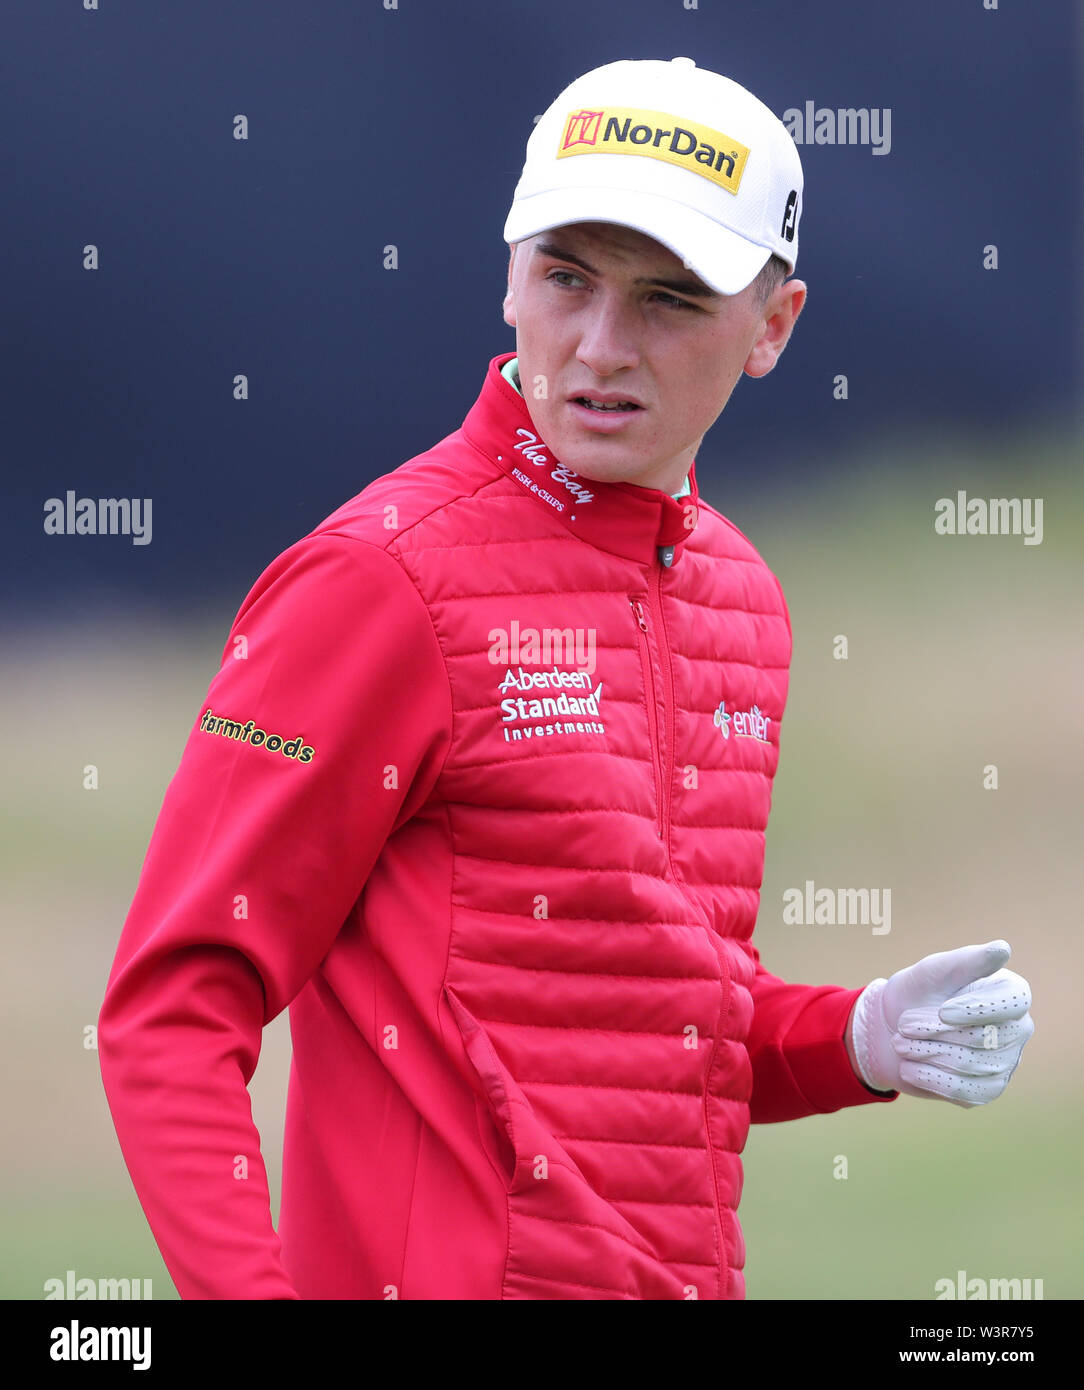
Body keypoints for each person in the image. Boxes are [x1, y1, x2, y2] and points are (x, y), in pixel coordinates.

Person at [97, 56, 1034, 1301]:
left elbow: (641, 1018)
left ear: (773, 326)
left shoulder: (741, 601)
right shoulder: (379, 580)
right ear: (507, 276)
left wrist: (852, 1037)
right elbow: (171, 1001)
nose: (602, 346)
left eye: (668, 299)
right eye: (566, 277)